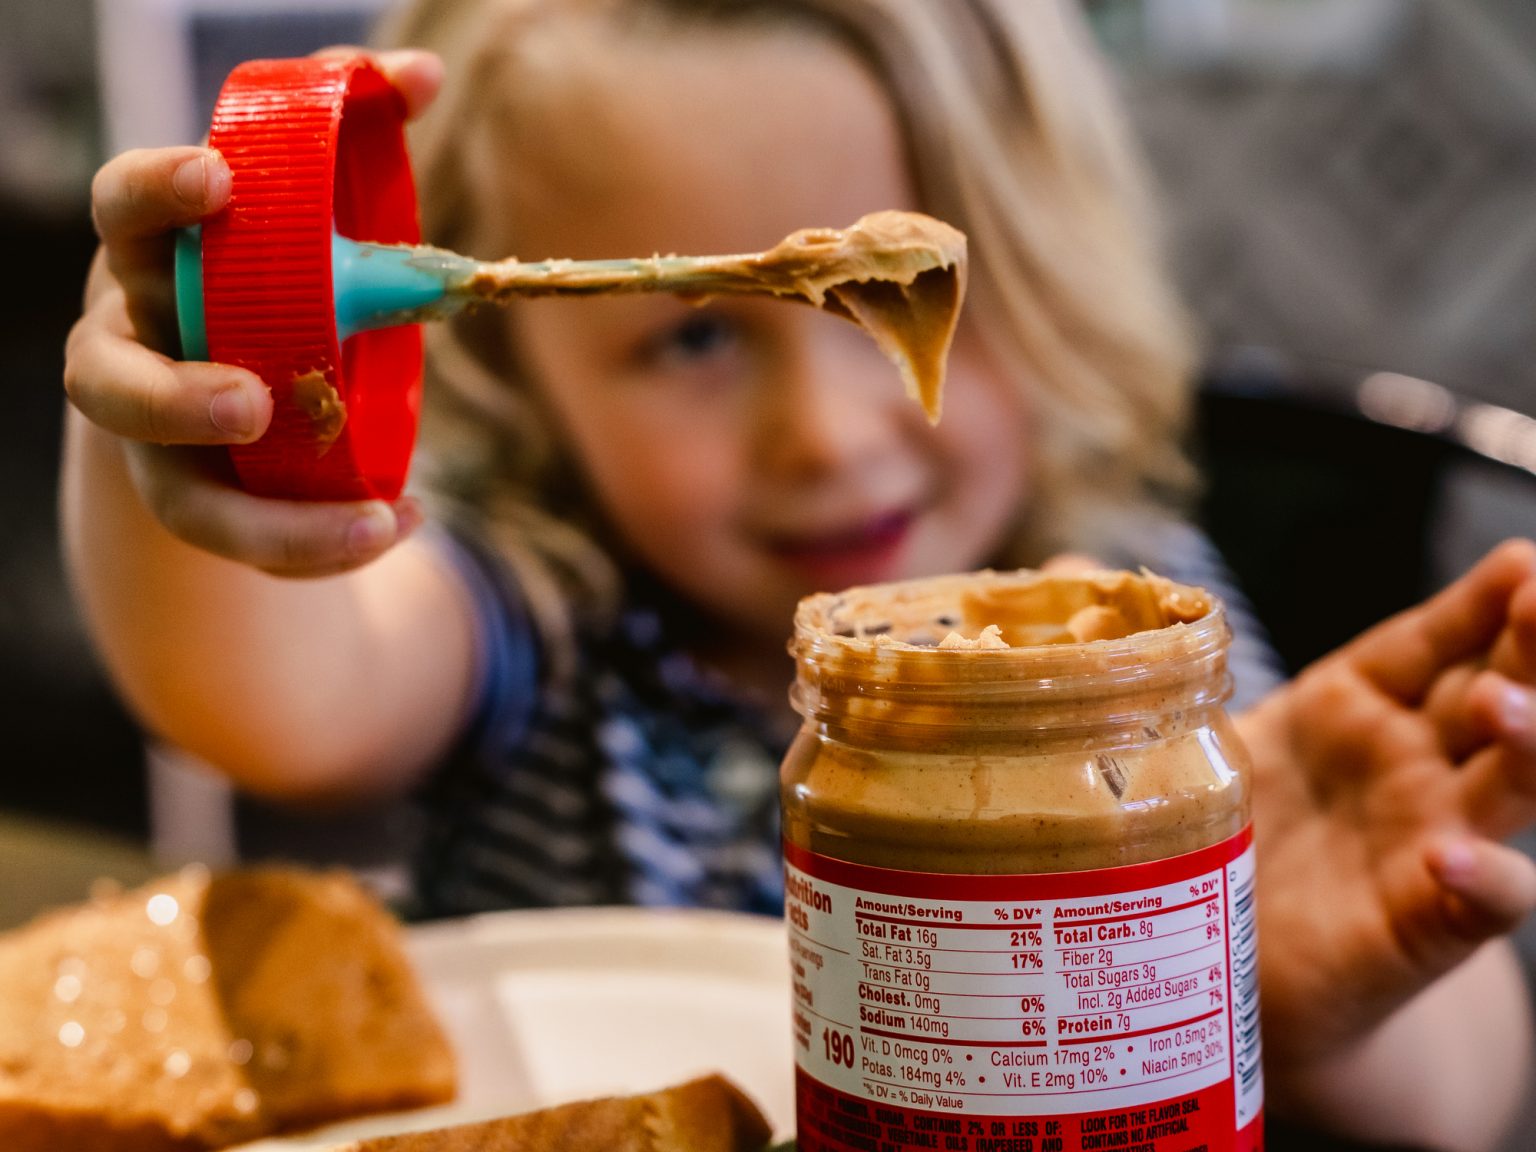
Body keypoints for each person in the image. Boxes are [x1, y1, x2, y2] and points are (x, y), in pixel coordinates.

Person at [59, 1, 1536, 1148]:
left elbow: (1457, 1104)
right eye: (695, 337)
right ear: (521, 359)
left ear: (1056, 272)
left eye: (907, 307)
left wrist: (1301, 979)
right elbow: (262, 695)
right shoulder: (540, 608)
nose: (827, 439)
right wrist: (212, 420)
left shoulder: (1114, 639)